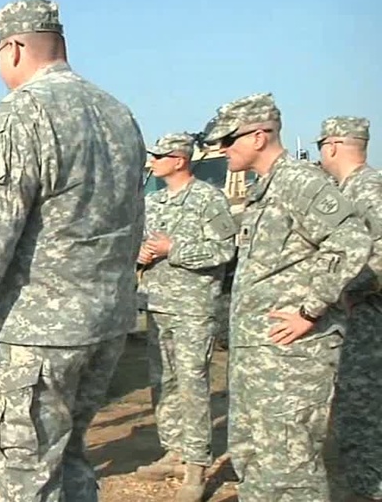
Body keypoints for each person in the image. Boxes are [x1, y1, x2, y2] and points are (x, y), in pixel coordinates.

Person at [0, 0, 147, 501]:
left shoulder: (22, 111)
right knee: (70, 460)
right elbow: (134, 220)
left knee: (26, 476)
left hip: (39, 336)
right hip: (108, 324)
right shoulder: (119, 113)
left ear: (11, 49)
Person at [202, 93, 372, 501]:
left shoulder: (299, 181)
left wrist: (310, 309)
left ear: (259, 136)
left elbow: (350, 239)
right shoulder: (267, 188)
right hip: (261, 354)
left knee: (289, 465)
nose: (223, 150)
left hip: (292, 357)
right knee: (256, 455)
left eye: (230, 140)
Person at [135, 132, 237, 501]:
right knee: (163, 381)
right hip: (158, 303)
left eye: (160, 156)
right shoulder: (154, 202)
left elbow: (224, 249)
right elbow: (140, 243)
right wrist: (142, 255)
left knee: (193, 385)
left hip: (194, 306)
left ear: (180, 160)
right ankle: (174, 450)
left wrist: (173, 248)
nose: (152, 162)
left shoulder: (208, 199)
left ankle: (196, 466)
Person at [315, 116, 382, 502]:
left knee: (362, 419)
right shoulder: (348, 189)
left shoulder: (366, 190)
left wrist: (336, 290)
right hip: (355, 319)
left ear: (333, 146)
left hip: (367, 321)